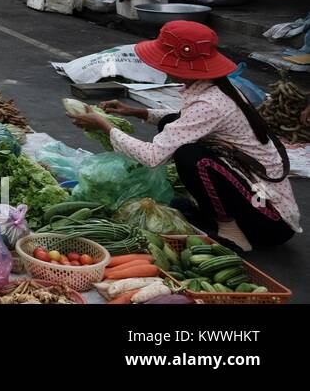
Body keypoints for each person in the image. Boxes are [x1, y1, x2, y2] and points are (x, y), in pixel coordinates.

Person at [70, 21, 300, 251]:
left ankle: (231, 231)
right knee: (173, 127)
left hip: (270, 218)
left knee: (190, 156)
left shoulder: (211, 102)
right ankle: (221, 215)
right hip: (252, 195)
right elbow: (183, 120)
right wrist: (137, 111)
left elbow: (152, 156)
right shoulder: (216, 87)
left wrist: (106, 126)